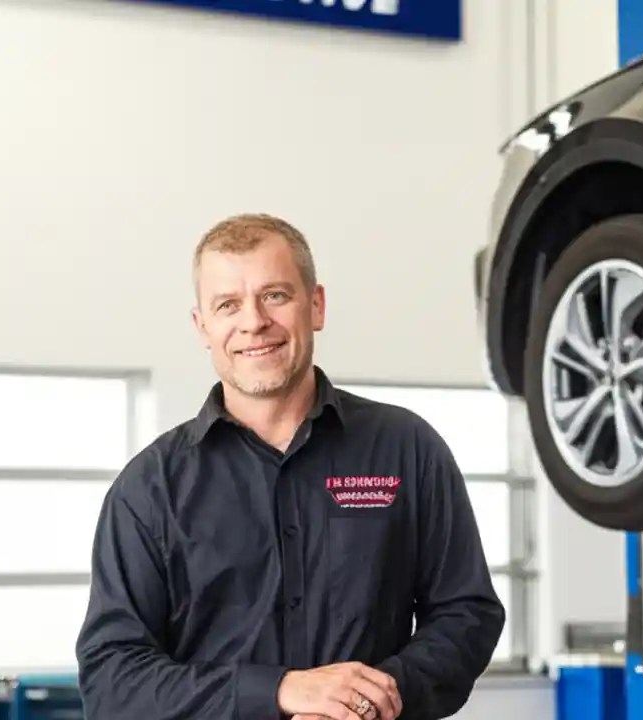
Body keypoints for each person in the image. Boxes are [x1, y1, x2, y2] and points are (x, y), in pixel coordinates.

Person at [75, 213, 506, 720]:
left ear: (316, 305)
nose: (254, 321)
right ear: (202, 326)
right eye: (228, 304)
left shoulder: (406, 449)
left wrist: (363, 702)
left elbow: (466, 615)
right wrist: (279, 691)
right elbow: (112, 678)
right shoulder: (149, 489)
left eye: (275, 295)